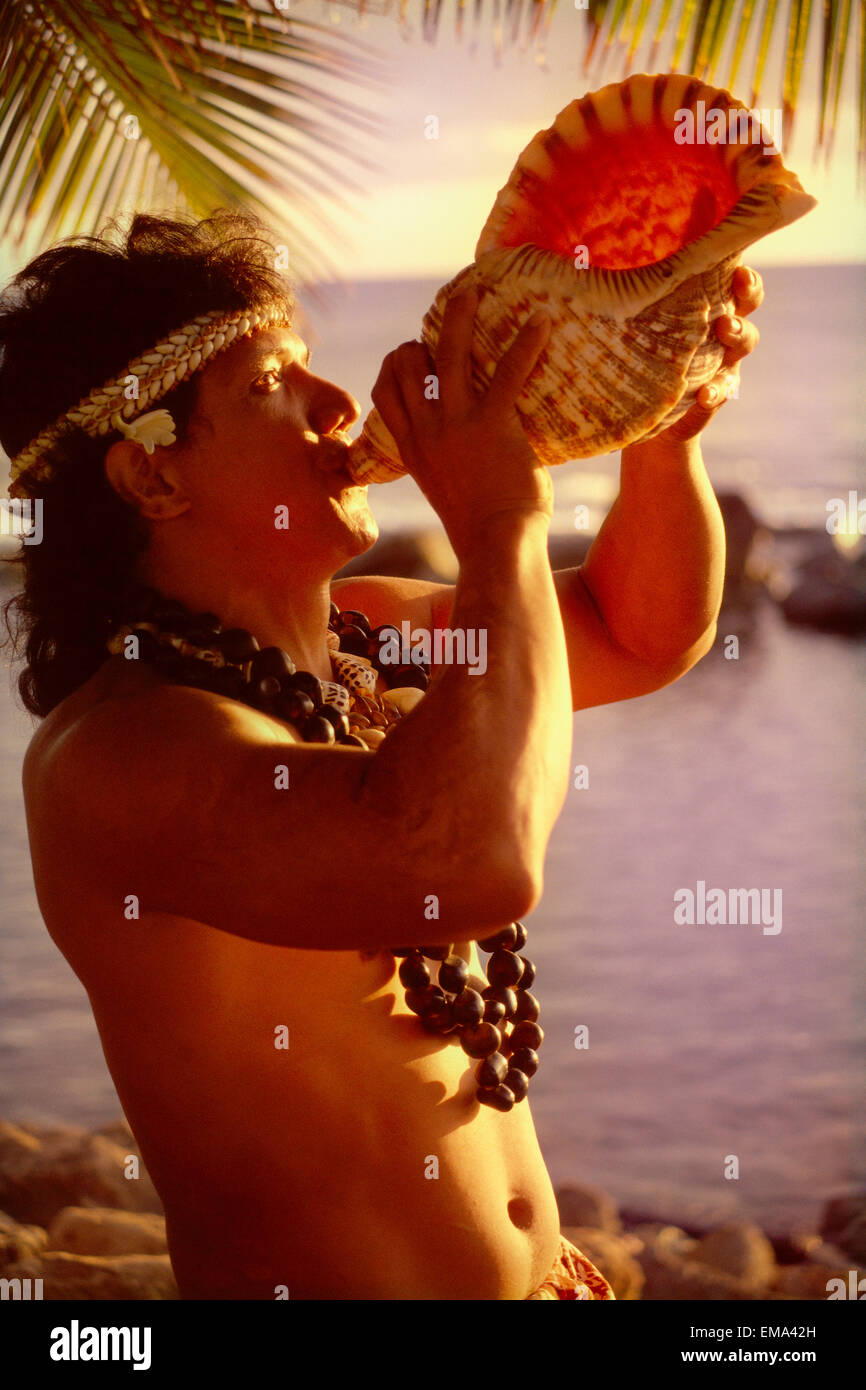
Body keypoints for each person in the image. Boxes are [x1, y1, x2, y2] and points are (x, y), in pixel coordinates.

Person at [0, 210, 761, 1300]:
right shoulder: (118, 755)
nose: (338, 402)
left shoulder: (365, 635)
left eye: (310, 366)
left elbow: (639, 629)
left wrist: (659, 423)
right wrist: (499, 515)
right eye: (270, 384)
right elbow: (465, 860)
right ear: (150, 479)